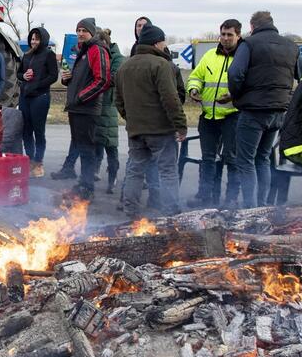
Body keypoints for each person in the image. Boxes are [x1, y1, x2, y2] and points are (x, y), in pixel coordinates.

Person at [227, 10, 299, 208]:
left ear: (252, 26)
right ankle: (263, 205)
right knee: (263, 158)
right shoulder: (291, 46)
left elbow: (235, 73)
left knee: (245, 161)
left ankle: (250, 208)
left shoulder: (249, 44)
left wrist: (236, 96)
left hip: (253, 111)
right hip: (278, 112)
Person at [115, 24, 187, 217]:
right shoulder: (161, 65)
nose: (165, 45)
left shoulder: (125, 66)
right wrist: (180, 125)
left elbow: (118, 100)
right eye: (163, 42)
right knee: (168, 171)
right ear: (156, 43)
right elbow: (170, 98)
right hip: (161, 131)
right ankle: (172, 214)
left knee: (135, 170)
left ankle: (130, 210)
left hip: (136, 130)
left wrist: (131, 118)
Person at [186, 19, 242, 207]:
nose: (225, 38)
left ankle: (231, 199)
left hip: (232, 116)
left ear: (238, 36)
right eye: (223, 34)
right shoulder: (209, 55)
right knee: (208, 158)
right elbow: (196, 76)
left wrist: (233, 96)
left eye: (230, 35)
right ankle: (204, 196)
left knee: (232, 159)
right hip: (209, 116)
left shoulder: (243, 58)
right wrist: (193, 89)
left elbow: (249, 85)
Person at [60, 18, 112, 200]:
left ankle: (87, 188)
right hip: (76, 108)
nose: (80, 33)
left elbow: (103, 80)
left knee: (87, 149)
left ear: (92, 33)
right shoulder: (83, 51)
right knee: (82, 148)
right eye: (78, 30)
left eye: (84, 30)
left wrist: (81, 97)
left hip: (87, 109)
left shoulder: (97, 50)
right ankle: (83, 183)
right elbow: (81, 79)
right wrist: (67, 79)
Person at [17, 27, 57, 177]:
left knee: (38, 131)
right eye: (32, 39)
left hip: (40, 97)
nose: (34, 42)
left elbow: (53, 76)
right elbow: (18, 73)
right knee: (26, 131)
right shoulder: (27, 55)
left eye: (37, 39)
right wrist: (24, 77)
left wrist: (37, 84)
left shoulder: (49, 55)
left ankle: (38, 162)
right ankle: (30, 159)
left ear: (43, 40)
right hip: (25, 97)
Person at [95, 29, 124, 194]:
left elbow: (112, 79)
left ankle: (112, 178)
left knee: (110, 144)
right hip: (96, 103)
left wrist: (96, 80)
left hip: (108, 104)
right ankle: (95, 171)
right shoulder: (99, 54)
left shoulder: (117, 58)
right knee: (96, 141)